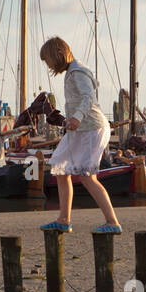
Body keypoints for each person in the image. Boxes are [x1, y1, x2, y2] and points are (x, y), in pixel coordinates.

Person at [37, 36, 121, 234]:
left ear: (58, 54)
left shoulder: (77, 71)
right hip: (79, 128)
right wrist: (71, 119)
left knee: (87, 176)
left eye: (47, 60)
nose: (48, 65)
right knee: (59, 166)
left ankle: (112, 222)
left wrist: (76, 117)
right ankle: (64, 219)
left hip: (92, 127)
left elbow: (88, 97)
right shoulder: (72, 72)